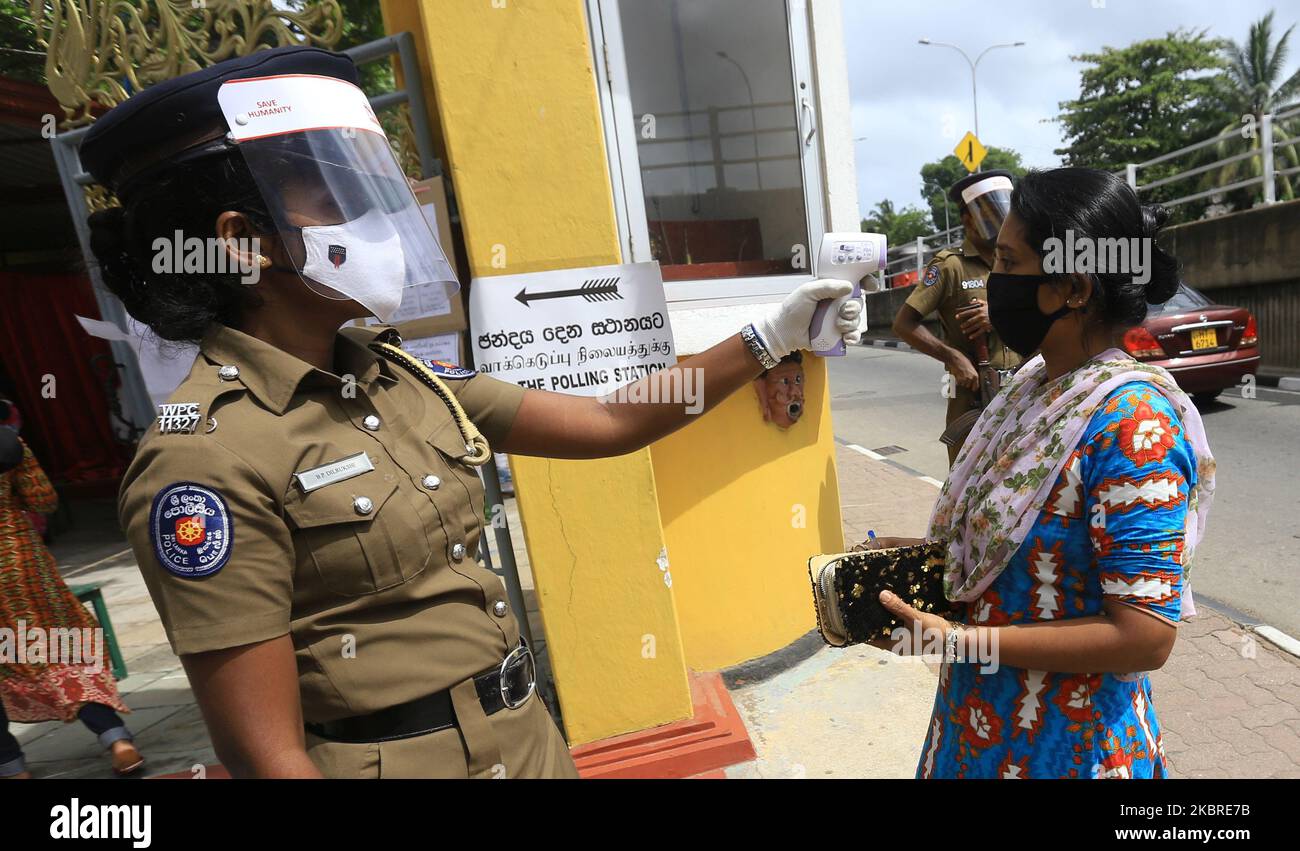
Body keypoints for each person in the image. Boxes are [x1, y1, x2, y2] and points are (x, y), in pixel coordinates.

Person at [79, 46, 864, 779]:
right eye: (338, 200)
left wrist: (772, 335)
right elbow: (267, 756)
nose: (381, 223)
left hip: (525, 736)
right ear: (245, 242)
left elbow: (610, 421)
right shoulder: (202, 460)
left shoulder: (398, 375)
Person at [870, 167, 1215, 779]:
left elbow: (1144, 637)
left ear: (1071, 288)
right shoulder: (1032, 387)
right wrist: (925, 559)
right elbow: (1009, 543)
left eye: (1006, 260)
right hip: (976, 731)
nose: (990, 281)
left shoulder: (1134, 425)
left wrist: (956, 641)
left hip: (1069, 752)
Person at [0, 427, 144, 779]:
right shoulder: (7, 442)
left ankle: (11, 768)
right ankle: (116, 740)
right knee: (61, 649)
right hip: (21, 565)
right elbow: (44, 500)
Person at [893, 170, 1023, 465]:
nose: (1002, 221)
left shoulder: (1019, 262)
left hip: (1022, 387)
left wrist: (999, 316)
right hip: (973, 394)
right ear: (968, 219)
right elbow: (904, 324)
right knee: (970, 479)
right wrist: (952, 357)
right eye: (992, 212)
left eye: (1005, 209)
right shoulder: (951, 266)